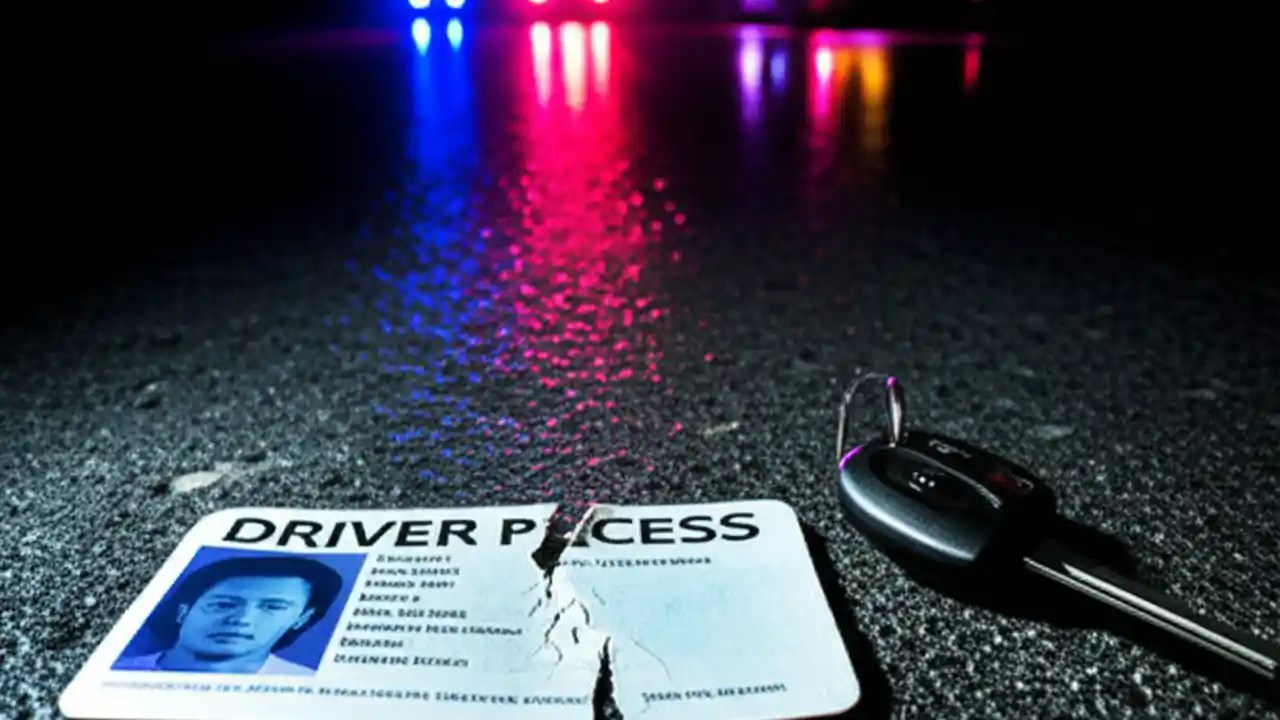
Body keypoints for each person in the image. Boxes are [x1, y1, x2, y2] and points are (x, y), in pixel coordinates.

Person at [115, 555, 343, 675]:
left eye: (273, 607)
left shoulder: (304, 680)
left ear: (301, 618)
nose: (242, 619)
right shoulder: (120, 671)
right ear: (184, 611)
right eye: (223, 605)